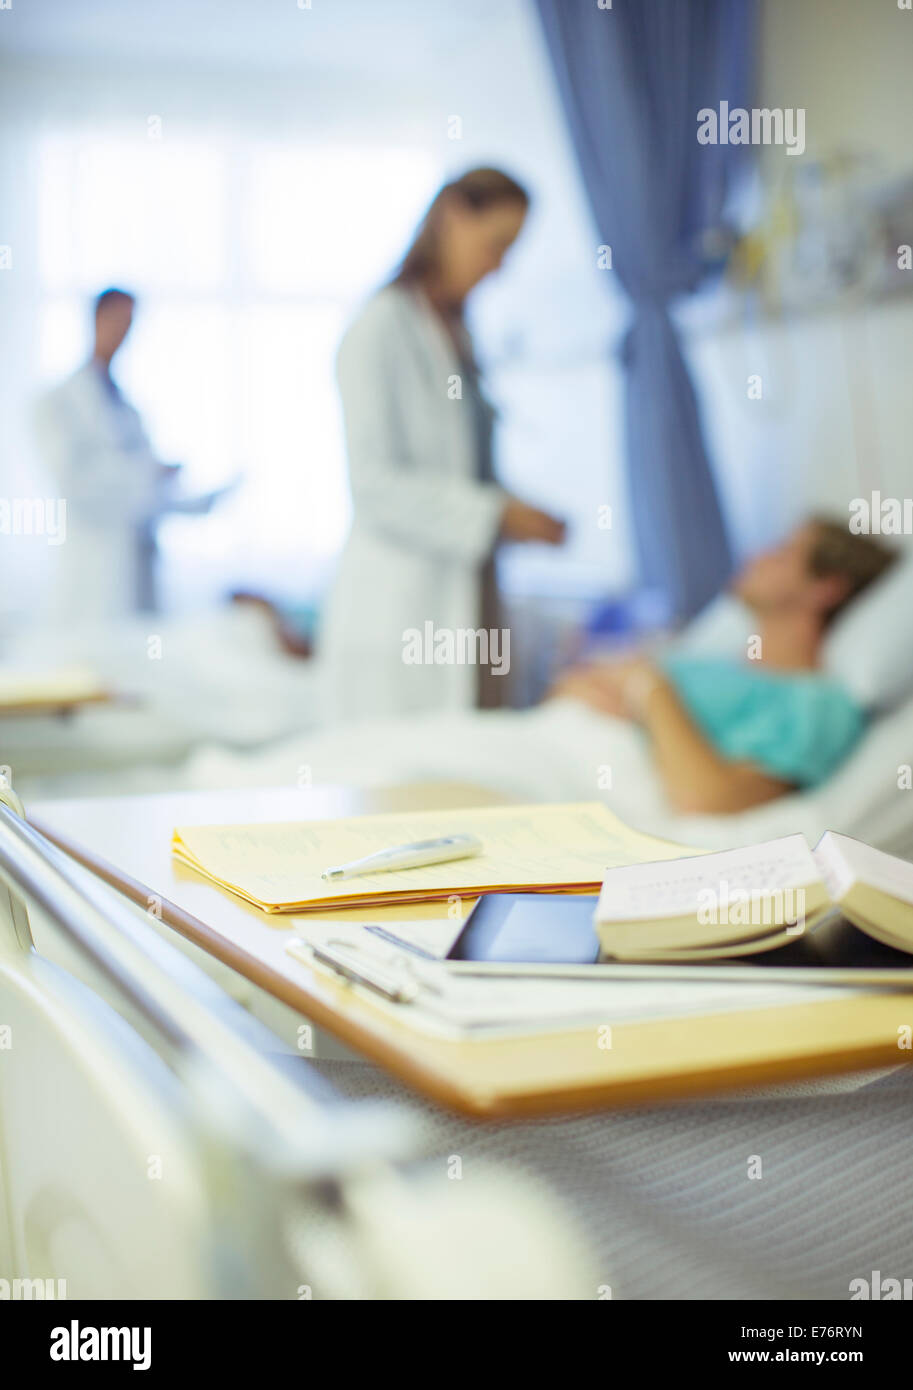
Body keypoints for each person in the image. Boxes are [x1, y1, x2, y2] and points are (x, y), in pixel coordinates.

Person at [320, 167, 566, 721]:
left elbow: (460, 469)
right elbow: (375, 486)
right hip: (400, 601)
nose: (500, 266)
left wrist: (513, 511)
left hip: (467, 589)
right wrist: (498, 515)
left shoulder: (455, 332)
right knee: (398, 783)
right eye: (496, 245)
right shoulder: (380, 329)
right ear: (452, 216)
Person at [548, 519, 896, 813]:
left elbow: (708, 799)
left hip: (573, 789)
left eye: (782, 553)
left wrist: (648, 688)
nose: (756, 556)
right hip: (550, 749)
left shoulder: (818, 705)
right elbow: (571, 683)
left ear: (826, 588)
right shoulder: (710, 664)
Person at [33, 287, 227, 624]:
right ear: (96, 319)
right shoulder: (58, 403)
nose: (125, 331)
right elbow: (76, 485)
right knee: (94, 664)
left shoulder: (128, 408)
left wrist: (202, 500)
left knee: (141, 659)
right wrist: (147, 472)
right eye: (119, 320)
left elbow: (149, 497)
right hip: (95, 573)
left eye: (131, 323)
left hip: (138, 567)